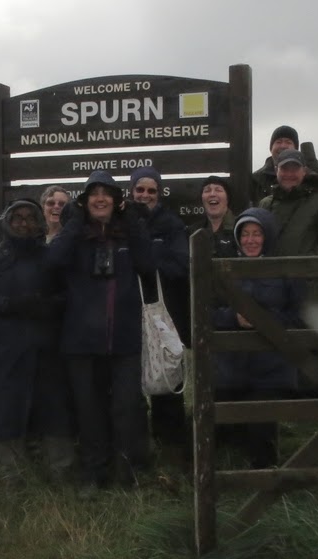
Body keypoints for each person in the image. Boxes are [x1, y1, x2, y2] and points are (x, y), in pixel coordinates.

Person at [47, 170, 154, 491]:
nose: (100, 199)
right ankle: (94, 473)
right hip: (81, 342)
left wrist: (132, 222)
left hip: (123, 341)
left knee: (126, 409)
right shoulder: (75, 236)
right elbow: (52, 262)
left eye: (107, 193)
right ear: (85, 201)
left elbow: (149, 264)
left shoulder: (127, 236)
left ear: (117, 200)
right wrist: (76, 221)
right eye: (93, 194)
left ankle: (127, 473)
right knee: (89, 412)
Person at [0, 199, 74, 481]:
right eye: (17, 218)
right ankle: (13, 475)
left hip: (47, 346)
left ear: (39, 222)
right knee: (6, 408)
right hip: (6, 347)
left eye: (30, 218)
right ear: (7, 222)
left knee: (54, 409)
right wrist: (9, 304)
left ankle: (60, 472)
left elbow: (67, 294)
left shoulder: (50, 257)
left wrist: (49, 305)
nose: (24, 223)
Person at [213, 208, 304, 468]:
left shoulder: (284, 271)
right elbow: (207, 313)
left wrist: (266, 321)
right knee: (219, 426)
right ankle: (217, 478)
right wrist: (233, 318)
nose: (250, 240)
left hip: (271, 368)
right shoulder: (223, 270)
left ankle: (266, 479)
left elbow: (297, 317)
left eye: (257, 234)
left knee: (262, 431)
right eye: (245, 234)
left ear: (268, 237)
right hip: (230, 367)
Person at [258, 148, 318, 396]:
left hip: (310, 294)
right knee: (275, 350)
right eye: (284, 168)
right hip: (275, 296)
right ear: (276, 171)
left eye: (295, 168)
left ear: (304, 171)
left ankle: (310, 415)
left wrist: (303, 270)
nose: (289, 174)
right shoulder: (266, 204)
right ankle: (281, 411)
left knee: (312, 356)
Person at [128, 167, 190, 452]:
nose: (145, 195)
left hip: (165, 312)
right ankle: (140, 443)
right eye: (140, 189)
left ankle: (172, 444)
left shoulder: (172, 224)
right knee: (132, 377)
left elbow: (180, 266)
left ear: (159, 193)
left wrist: (149, 257)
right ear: (131, 192)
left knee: (167, 373)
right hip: (128, 310)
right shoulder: (122, 221)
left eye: (151, 190)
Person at [249, 125, 318, 208]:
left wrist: (312, 170)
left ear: (296, 149)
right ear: (271, 148)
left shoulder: (307, 175)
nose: (283, 146)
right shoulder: (256, 178)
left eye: (288, 142)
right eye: (278, 142)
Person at [187, 176, 239, 258]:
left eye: (218, 190)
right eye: (207, 190)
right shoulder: (192, 231)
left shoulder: (240, 228)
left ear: (227, 198)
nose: (212, 194)